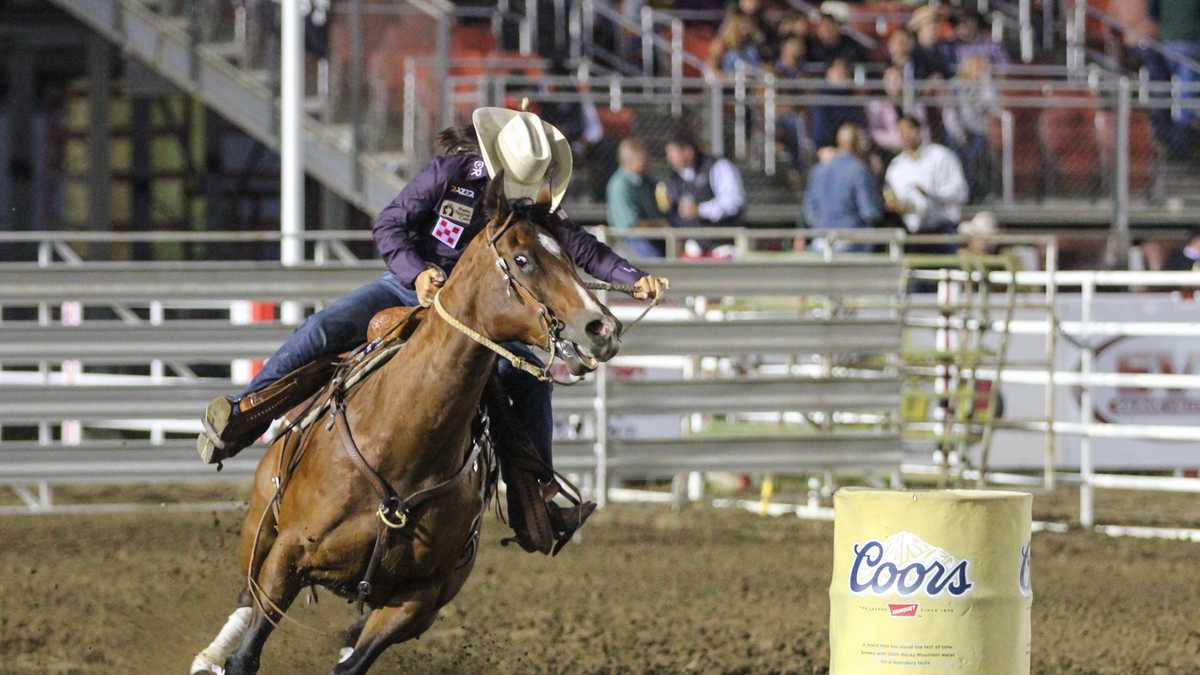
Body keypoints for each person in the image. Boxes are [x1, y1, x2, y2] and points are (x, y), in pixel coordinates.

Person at [197, 107, 671, 535]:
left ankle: (536, 502)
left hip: (480, 320)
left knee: (529, 379)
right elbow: (390, 224)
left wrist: (634, 278)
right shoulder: (452, 173)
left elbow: (580, 247)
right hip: (408, 288)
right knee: (324, 329)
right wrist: (418, 271)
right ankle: (242, 413)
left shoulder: (529, 207)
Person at [657, 130, 745, 256]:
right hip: (694, 246)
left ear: (688, 151)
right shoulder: (676, 177)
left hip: (723, 245)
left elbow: (733, 203)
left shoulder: (719, 167)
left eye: (672, 153)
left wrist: (700, 209)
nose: (669, 158)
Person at [884, 115, 969, 238]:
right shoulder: (896, 166)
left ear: (919, 130)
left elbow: (961, 193)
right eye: (901, 132)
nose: (906, 135)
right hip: (912, 232)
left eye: (909, 129)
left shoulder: (942, 156)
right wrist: (899, 206)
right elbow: (894, 197)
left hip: (942, 228)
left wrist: (929, 195)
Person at [802, 123, 883, 253]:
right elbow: (869, 212)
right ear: (856, 143)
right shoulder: (859, 170)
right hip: (852, 243)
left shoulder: (818, 170)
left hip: (821, 242)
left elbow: (809, 213)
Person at [943, 55, 998, 202]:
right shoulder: (955, 86)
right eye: (976, 67)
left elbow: (993, 104)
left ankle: (975, 191)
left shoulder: (984, 85)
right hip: (957, 130)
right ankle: (964, 192)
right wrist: (960, 133)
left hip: (978, 130)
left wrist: (986, 81)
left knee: (978, 154)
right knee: (961, 156)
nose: (979, 71)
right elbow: (949, 114)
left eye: (982, 68)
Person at [1151, 0, 1200, 150]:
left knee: (1180, 90)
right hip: (1191, 42)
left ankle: (1172, 138)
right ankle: (1180, 144)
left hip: (1169, 43)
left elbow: (1153, 14)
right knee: (1185, 92)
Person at [606, 137, 667, 258]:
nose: (648, 161)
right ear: (628, 161)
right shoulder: (620, 185)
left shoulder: (647, 180)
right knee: (657, 261)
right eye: (643, 159)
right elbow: (631, 224)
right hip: (630, 239)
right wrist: (660, 224)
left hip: (653, 236)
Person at [809, 58, 868, 149]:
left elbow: (861, 124)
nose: (841, 73)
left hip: (854, 147)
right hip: (828, 147)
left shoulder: (853, 98)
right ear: (828, 73)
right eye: (837, 69)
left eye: (844, 69)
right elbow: (820, 134)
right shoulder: (820, 98)